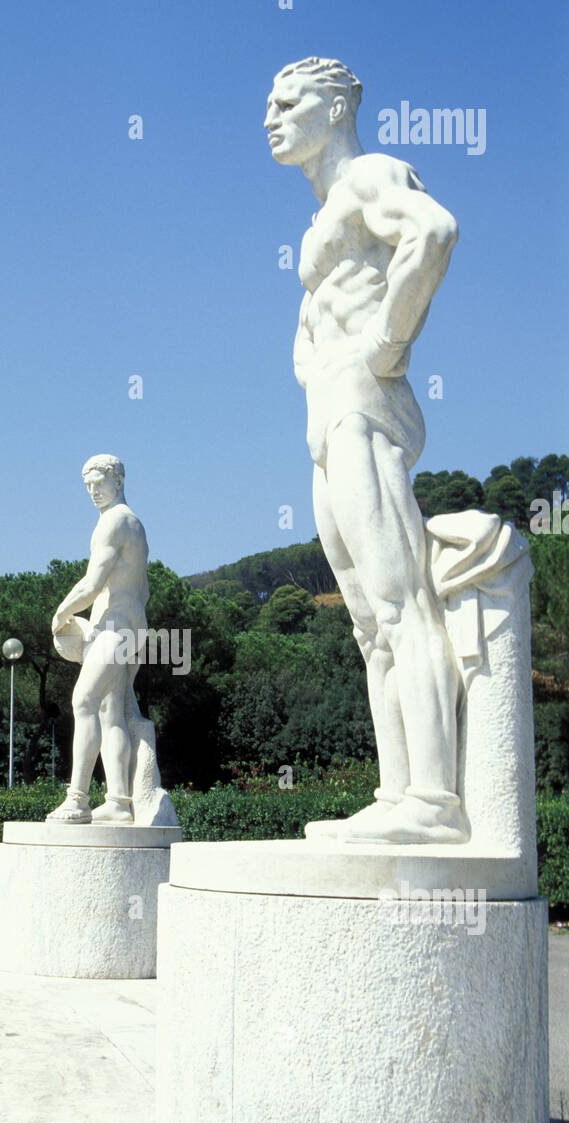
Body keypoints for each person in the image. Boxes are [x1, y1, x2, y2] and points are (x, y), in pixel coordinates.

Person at [265, 56, 467, 843]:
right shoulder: (321, 216)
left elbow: (434, 231)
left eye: (288, 102)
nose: (270, 117)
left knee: (399, 600)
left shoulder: (370, 174)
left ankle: (434, 803)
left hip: (361, 404)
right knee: (366, 624)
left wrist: (387, 342)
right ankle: (398, 794)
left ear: (338, 104)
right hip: (325, 419)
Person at [48, 455, 150, 825]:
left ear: (118, 481)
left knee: (83, 699)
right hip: (127, 623)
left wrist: (61, 612)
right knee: (111, 712)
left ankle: (77, 799)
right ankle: (120, 803)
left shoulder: (114, 522)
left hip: (116, 625)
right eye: (88, 486)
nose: (93, 492)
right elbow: (145, 589)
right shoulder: (135, 525)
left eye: (99, 484)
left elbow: (92, 583)